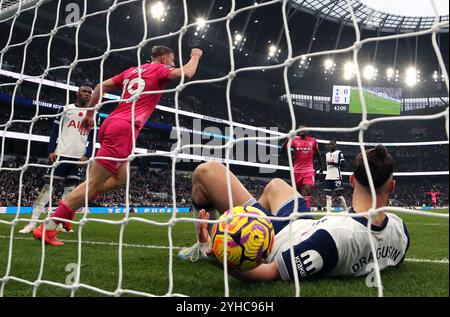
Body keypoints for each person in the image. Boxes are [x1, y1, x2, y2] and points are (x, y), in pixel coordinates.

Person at [33, 46, 203, 246]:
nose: (173, 64)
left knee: (120, 178)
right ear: (164, 59)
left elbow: (100, 86)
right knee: (94, 183)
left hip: (111, 124)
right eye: (172, 60)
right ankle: (50, 224)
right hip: (124, 129)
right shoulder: (160, 70)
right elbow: (188, 72)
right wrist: (195, 55)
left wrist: (90, 114)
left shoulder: (131, 71)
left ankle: (68, 209)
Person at [179, 145, 410, 282]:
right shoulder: (400, 233)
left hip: (280, 237)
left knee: (206, 172)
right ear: (392, 186)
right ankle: (250, 217)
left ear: (351, 181)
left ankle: (211, 241)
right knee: (277, 185)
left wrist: (216, 254)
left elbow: (268, 273)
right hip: (305, 225)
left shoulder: (331, 240)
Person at [19, 86, 93, 234]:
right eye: (84, 91)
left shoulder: (93, 114)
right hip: (61, 154)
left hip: (78, 159)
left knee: (69, 193)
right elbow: (54, 131)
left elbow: (92, 137)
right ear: (77, 93)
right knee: (47, 188)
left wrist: (88, 154)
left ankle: (58, 224)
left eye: (89, 93)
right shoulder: (66, 109)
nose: (87, 94)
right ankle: (32, 223)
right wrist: (51, 150)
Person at [281, 126, 323, 210]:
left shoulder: (313, 141)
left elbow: (318, 154)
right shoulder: (294, 140)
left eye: (303, 129)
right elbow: (282, 150)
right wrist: (288, 138)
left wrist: (321, 166)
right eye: (299, 129)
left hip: (309, 170)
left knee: (308, 190)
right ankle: (296, 210)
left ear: (307, 131)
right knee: (297, 194)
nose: (301, 130)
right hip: (297, 171)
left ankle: (306, 213)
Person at [324, 140, 347, 212]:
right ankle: (328, 213)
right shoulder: (327, 154)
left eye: (332, 144)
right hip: (328, 177)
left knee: (339, 195)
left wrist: (333, 163)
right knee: (328, 196)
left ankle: (346, 211)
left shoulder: (339, 153)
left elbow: (343, 164)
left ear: (335, 145)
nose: (331, 146)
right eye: (330, 144)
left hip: (336, 176)